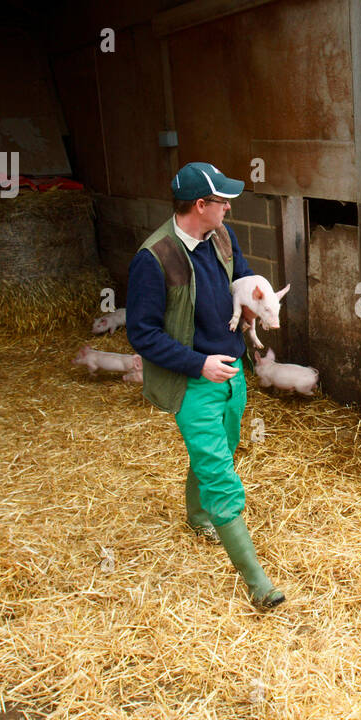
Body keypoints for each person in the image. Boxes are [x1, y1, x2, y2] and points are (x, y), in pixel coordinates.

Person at [126, 161, 285, 610]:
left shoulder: (221, 236)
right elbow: (142, 333)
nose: (230, 206)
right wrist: (198, 364)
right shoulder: (153, 258)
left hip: (232, 370)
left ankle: (197, 516)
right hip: (194, 380)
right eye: (222, 200)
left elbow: (243, 276)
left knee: (223, 448)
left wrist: (256, 302)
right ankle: (258, 584)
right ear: (200, 205)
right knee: (219, 472)